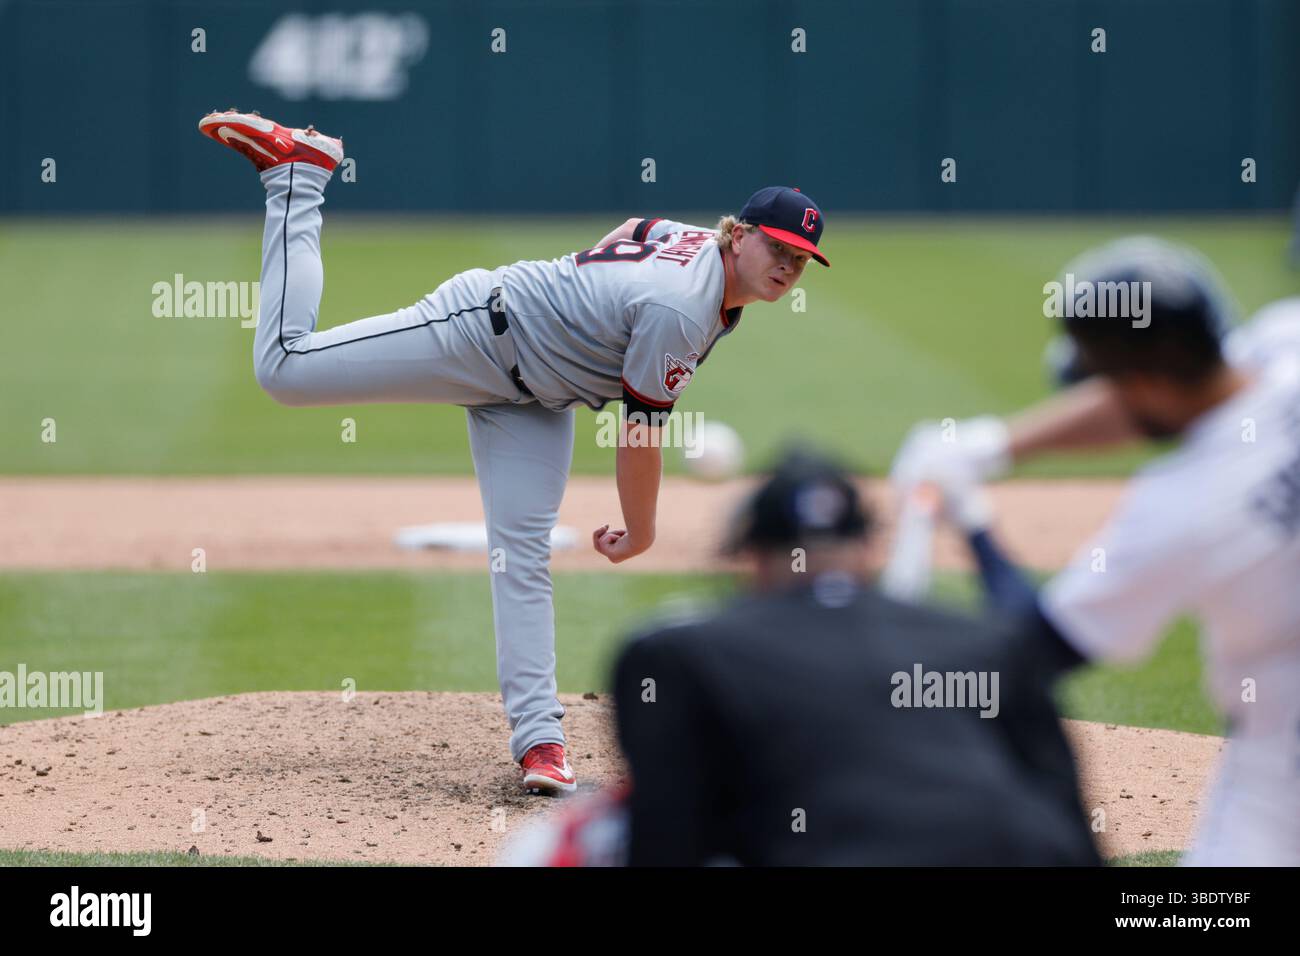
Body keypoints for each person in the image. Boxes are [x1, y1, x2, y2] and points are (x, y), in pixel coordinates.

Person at [197, 109, 829, 794]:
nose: (788, 267)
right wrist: (642, 531)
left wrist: (579, 311)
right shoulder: (683, 309)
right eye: (776, 249)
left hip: (536, 399)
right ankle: (301, 177)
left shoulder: (691, 248)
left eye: (800, 260)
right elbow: (640, 438)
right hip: (478, 332)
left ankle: (541, 745)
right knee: (285, 369)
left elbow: (634, 232)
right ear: (737, 237)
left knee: (520, 553)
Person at [892, 237, 1300, 865]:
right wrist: (997, 446)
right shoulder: (1285, 342)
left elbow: (1032, 649)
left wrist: (973, 522)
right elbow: (1162, 394)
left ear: (1143, 379)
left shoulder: (1186, 509)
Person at [609, 448, 1099, 866]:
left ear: (753, 555)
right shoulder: (989, 640)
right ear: (868, 549)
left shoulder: (680, 654)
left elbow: (665, 842)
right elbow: (1070, 828)